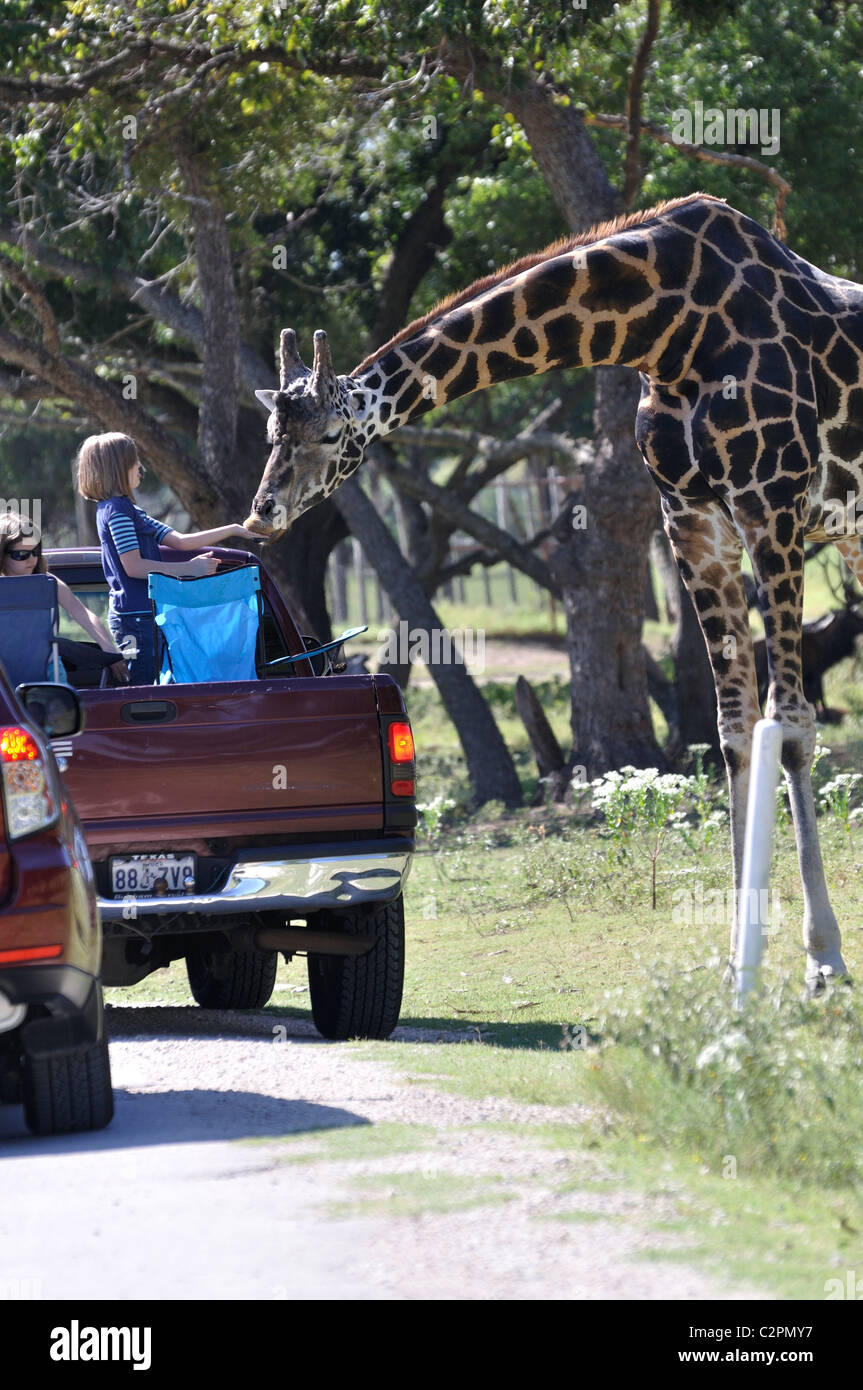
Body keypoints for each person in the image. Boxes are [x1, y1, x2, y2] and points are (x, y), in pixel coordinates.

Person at [76, 432, 259, 684]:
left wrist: (235, 529)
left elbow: (181, 541)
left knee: (151, 687)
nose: (141, 467)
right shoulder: (117, 511)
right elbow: (134, 566)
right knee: (141, 692)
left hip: (144, 613)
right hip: (136, 617)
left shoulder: (130, 511)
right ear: (117, 467)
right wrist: (189, 569)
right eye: (135, 461)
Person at [0, 511, 129, 684]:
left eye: (35, 551)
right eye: (21, 555)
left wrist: (110, 651)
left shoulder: (48, 582)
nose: (31, 559)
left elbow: (84, 615)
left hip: (49, 676)